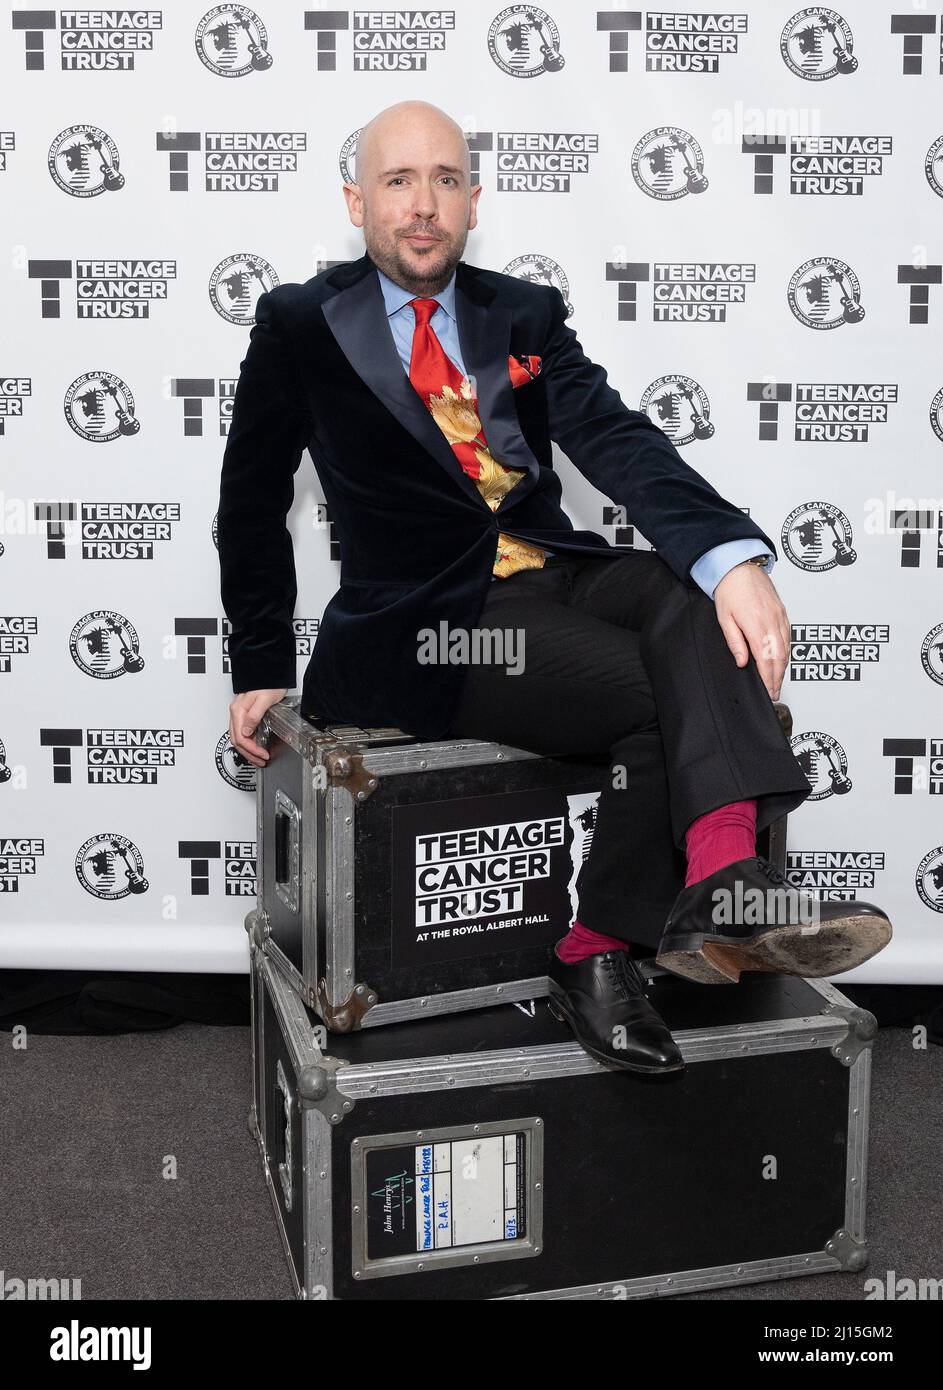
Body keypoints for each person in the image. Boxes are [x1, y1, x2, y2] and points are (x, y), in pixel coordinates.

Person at [217, 100, 891, 1076]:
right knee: (655, 689)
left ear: (473, 200)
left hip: (549, 571)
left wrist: (731, 556)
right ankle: (600, 948)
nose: (423, 205)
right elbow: (250, 500)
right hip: (423, 621)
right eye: (399, 181)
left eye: (445, 180)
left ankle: (721, 885)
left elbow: (616, 440)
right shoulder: (297, 324)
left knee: (696, 603)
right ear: (356, 198)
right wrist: (257, 662)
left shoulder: (519, 315)